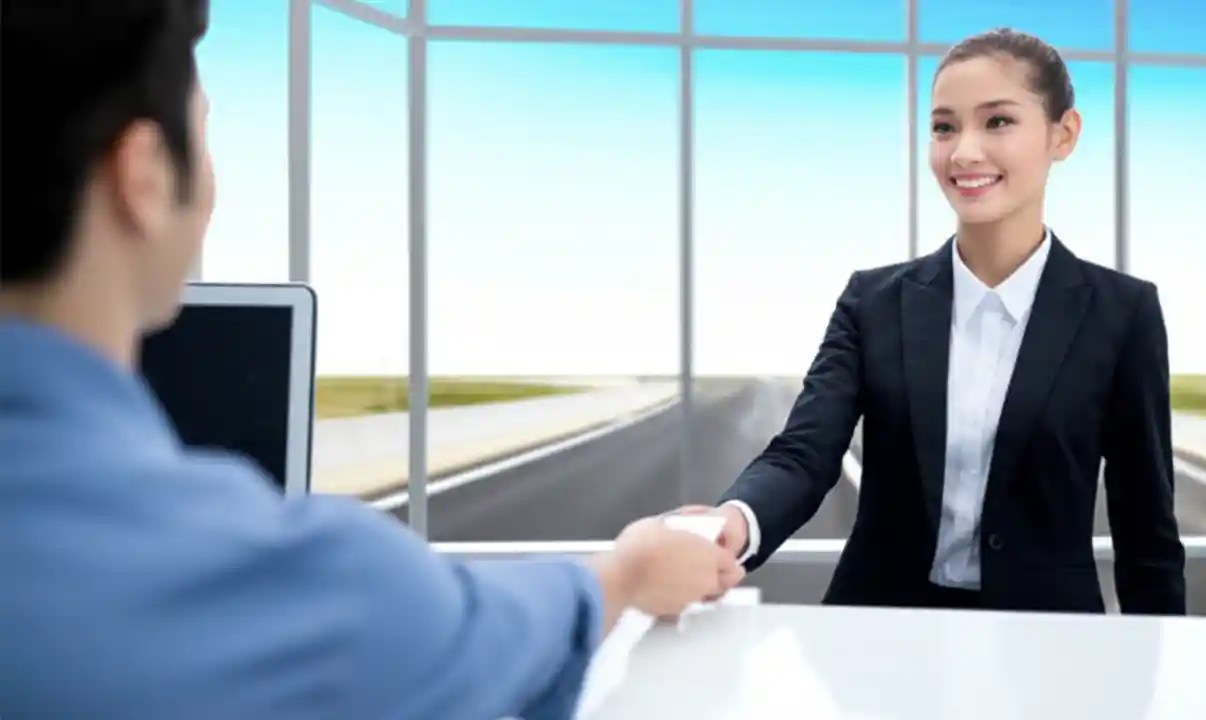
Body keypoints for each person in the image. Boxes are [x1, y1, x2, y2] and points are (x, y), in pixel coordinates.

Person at [0, 2, 743, 718]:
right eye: (204, 131)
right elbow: (489, 636)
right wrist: (630, 569)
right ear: (144, 177)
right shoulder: (316, 594)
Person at [677, 27, 1186, 615]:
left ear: (1063, 134)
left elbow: (1145, 524)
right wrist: (735, 521)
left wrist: (1164, 651)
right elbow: (804, 453)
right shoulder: (872, 302)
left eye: (997, 121)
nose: (963, 152)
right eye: (945, 127)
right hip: (881, 627)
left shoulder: (1122, 314)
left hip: (1047, 635)